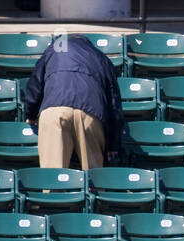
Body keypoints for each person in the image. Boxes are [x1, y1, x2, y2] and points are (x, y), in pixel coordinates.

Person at [22, 34, 124, 171]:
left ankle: (53, 192)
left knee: (53, 176)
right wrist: (113, 144)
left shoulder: (54, 49)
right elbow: (114, 105)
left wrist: (31, 113)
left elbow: (35, 86)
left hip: (54, 111)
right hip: (91, 112)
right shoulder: (101, 58)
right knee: (93, 176)